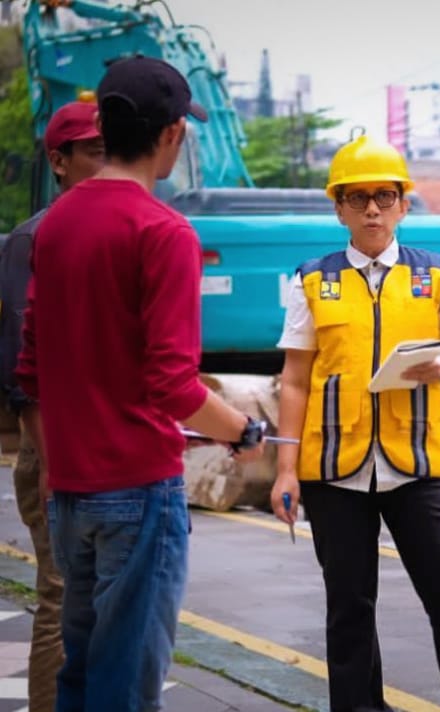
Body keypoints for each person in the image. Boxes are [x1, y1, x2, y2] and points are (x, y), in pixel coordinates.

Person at [15, 56, 266, 712]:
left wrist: (52, 464)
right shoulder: (163, 232)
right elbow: (171, 384)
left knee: (80, 673)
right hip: (137, 491)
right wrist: (243, 430)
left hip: (70, 492)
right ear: (173, 135)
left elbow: (32, 364)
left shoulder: (58, 223)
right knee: (125, 684)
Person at [270, 135, 440, 712]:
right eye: (358, 199)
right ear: (339, 209)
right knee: (349, 609)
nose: (373, 210)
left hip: (418, 464)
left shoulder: (434, 274)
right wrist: (285, 470)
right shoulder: (312, 281)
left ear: (405, 203)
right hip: (334, 470)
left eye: (384, 196)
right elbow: (296, 379)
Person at [0, 100, 105, 712]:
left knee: (106, 605)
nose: (107, 163)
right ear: (59, 162)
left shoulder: (113, 230)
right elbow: (20, 364)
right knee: (62, 597)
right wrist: (48, 459)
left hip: (105, 448)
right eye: (94, 152)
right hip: (54, 448)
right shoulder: (32, 239)